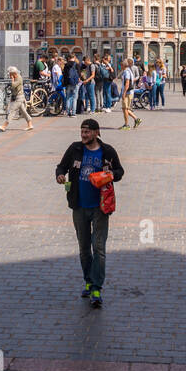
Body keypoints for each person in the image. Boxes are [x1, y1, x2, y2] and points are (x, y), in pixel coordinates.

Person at [55, 118, 125, 309]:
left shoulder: (107, 151)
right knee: (84, 248)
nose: (84, 135)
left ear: (96, 132)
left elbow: (120, 171)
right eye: (82, 132)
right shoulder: (75, 149)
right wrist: (60, 176)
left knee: (99, 247)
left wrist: (110, 174)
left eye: (87, 132)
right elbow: (61, 167)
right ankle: (88, 280)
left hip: (100, 207)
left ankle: (96, 288)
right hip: (79, 205)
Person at [0, 66, 35, 132]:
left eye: (10, 74)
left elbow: (14, 85)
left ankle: (4, 126)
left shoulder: (19, 78)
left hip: (19, 97)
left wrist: (12, 80)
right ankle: (30, 124)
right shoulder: (16, 77)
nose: (9, 75)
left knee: (12, 111)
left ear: (13, 73)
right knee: (23, 111)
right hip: (17, 97)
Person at [118, 60, 141, 129]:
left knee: (125, 108)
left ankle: (126, 125)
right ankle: (136, 119)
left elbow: (127, 83)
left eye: (121, 65)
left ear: (124, 65)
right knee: (125, 108)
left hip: (127, 93)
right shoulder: (128, 71)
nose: (120, 66)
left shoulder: (126, 72)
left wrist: (124, 93)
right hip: (129, 92)